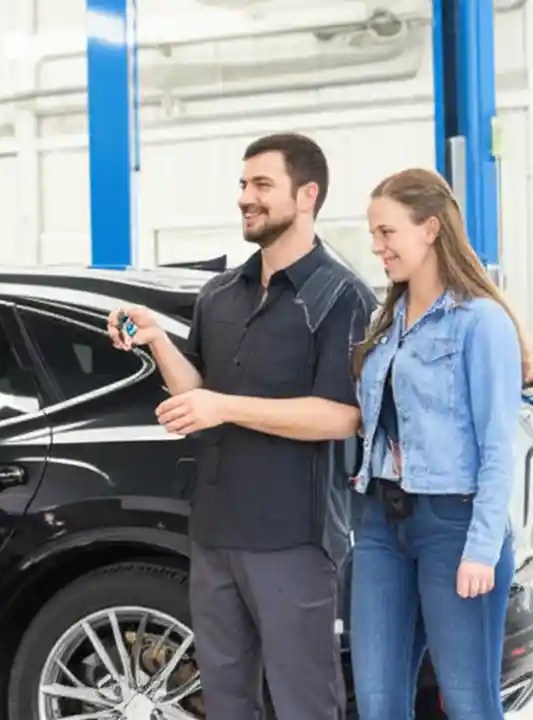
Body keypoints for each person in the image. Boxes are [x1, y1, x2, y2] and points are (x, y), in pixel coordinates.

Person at [107, 132, 375, 720]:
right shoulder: (219, 294)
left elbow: (342, 415)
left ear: (307, 196)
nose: (245, 198)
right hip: (215, 533)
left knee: (305, 700)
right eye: (243, 184)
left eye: (261, 185)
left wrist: (225, 408)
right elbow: (199, 396)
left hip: (294, 540)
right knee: (226, 701)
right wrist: (156, 339)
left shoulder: (341, 297)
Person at [348, 167, 531, 719]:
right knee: (378, 703)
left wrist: (480, 547)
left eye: (387, 233)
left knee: (470, 702)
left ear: (430, 229)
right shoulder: (388, 324)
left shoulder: (481, 323)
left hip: (456, 523)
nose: (377, 247)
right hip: (381, 520)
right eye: (374, 234)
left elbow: (498, 444)